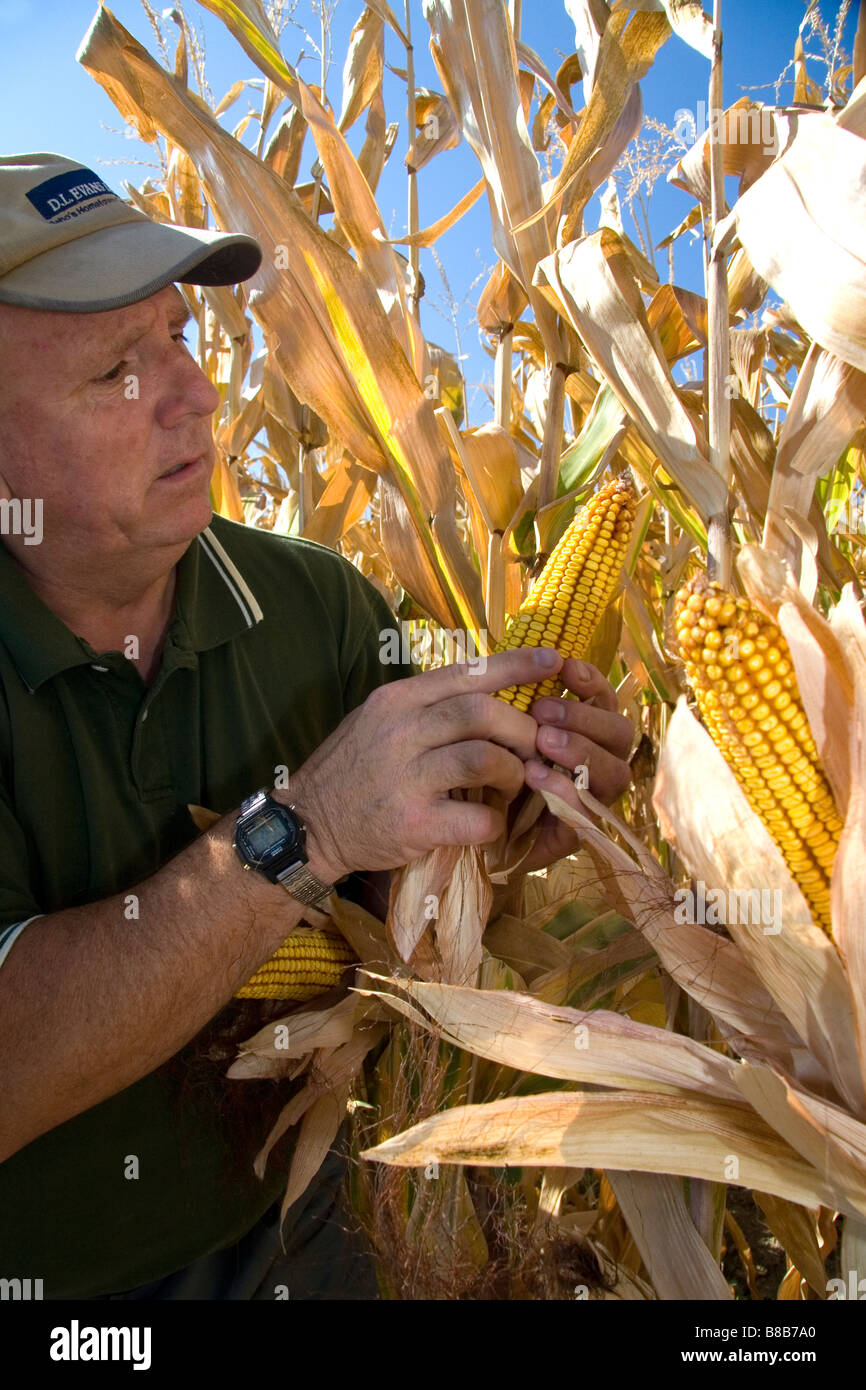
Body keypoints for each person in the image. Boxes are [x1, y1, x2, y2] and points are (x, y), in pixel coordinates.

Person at [0, 152, 634, 1300]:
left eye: (181, 338)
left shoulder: (320, 605)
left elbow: (387, 933)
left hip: (306, 1223)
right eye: (115, 372)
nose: (194, 394)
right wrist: (306, 825)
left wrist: (512, 810)